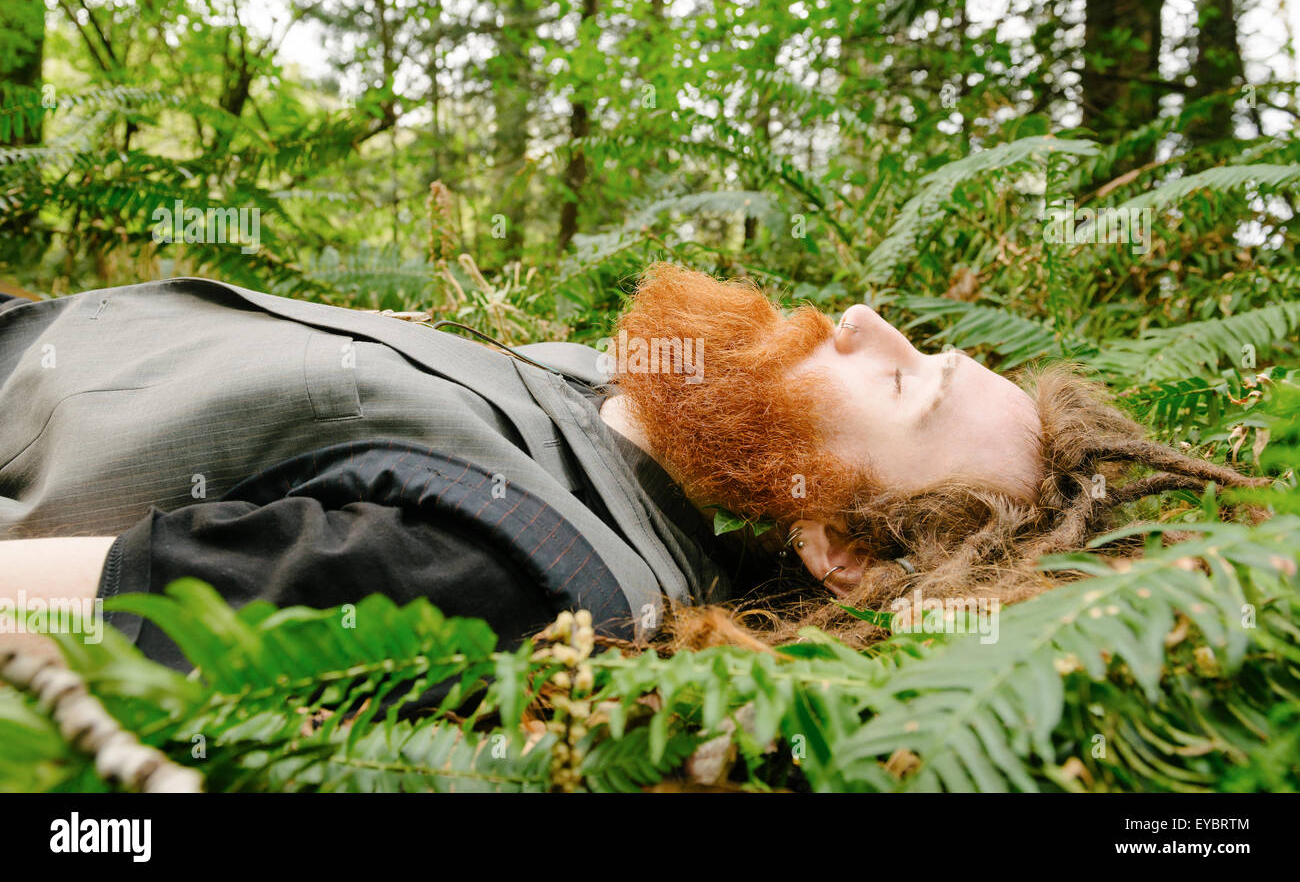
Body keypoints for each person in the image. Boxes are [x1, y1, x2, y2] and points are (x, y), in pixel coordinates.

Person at [0, 263, 1266, 666]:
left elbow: (61, 601)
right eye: (919, 342)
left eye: (901, 385)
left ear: (833, 541)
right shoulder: (603, 405)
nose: (869, 320)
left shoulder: (530, 573)